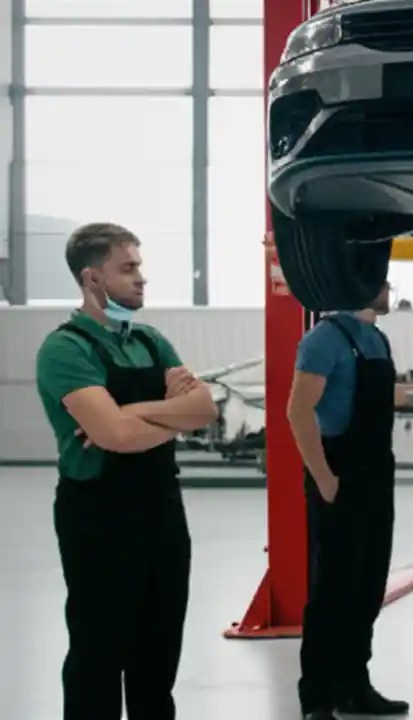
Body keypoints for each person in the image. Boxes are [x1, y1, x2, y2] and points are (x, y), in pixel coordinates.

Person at [34, 223, 217, 720]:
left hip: (161, 513)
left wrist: (131, 413)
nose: (142, 279)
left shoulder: (150, 341)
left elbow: (204, 411)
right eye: (128, 268)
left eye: (140, 266)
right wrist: (162, 416)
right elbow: (114, 438)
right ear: (93, 279)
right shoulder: (65, 350)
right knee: (99, 650)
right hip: (97, 518)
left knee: (158, 654)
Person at [287, 282, 407, 720]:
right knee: (333, 589)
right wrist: (325, 480)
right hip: (339, 472)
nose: (388, 288)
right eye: (380, 281)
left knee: (368, 584)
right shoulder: (323, 338)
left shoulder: (376, 337)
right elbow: (298, 412)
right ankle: (316, 697)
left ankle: (355, 686)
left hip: (377, 472)